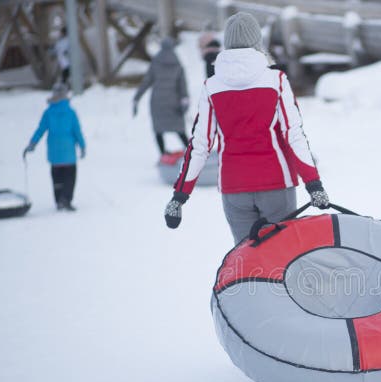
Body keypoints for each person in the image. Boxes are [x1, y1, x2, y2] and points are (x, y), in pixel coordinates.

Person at [163, 12, 329, 242]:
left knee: (247, 263)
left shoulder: (212, 86)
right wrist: (314, 183)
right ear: (257, 42)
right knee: (282, 257)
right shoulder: (276, 80)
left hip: (235, 189)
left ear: (227, 43)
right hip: (277, 185)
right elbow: (294, 135)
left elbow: (200, 144)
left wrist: (180, 196)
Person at [24, 83, 86, 211]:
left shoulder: (48, 112)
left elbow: (40, 130)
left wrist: (32, 144)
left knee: (57, 178)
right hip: (69, 154)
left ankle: (59, 200)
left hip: (54, 154)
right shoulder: (70, 112)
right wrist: (82, 146)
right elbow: (77, 131)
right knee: (70, 178)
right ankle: (66, 200)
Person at [133, 37, 189, 155]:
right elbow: (183, 87)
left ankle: (163, 154)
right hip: (173, 102)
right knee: (180, 130)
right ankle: (191, 153)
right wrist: (185, 102)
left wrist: (136, 98)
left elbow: (146, 82)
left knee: (159, 130)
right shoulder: (177, 64)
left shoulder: (156, 63)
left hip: (157, 102)